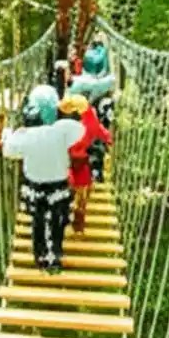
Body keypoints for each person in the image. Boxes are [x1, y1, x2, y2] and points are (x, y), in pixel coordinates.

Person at [0, 85, 86, 272]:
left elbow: (8, 151)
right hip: (59, 188)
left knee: (38, 221)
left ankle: (40, 256)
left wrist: (8, 133)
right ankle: (55, 255)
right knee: (57, 222)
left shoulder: (24, 136)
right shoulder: (63, 129)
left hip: (34, 188)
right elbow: (81, 130)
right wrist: (67, 113)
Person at [59, 94, 113, 234]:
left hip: (66, 162)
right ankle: (78, 220)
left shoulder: (61, 121)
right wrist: (109, 139)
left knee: (70, 189)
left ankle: (68, 213)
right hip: (81, 162)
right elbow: (101, 132)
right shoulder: (90, 120)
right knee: (83, 192)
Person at [68, 41, 116, 182]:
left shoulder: (74, 86)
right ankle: (95, 171)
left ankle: (80, 176)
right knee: (95, 142)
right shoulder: (87, 83)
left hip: (75, 124)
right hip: (88, 119)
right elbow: (108, 82)